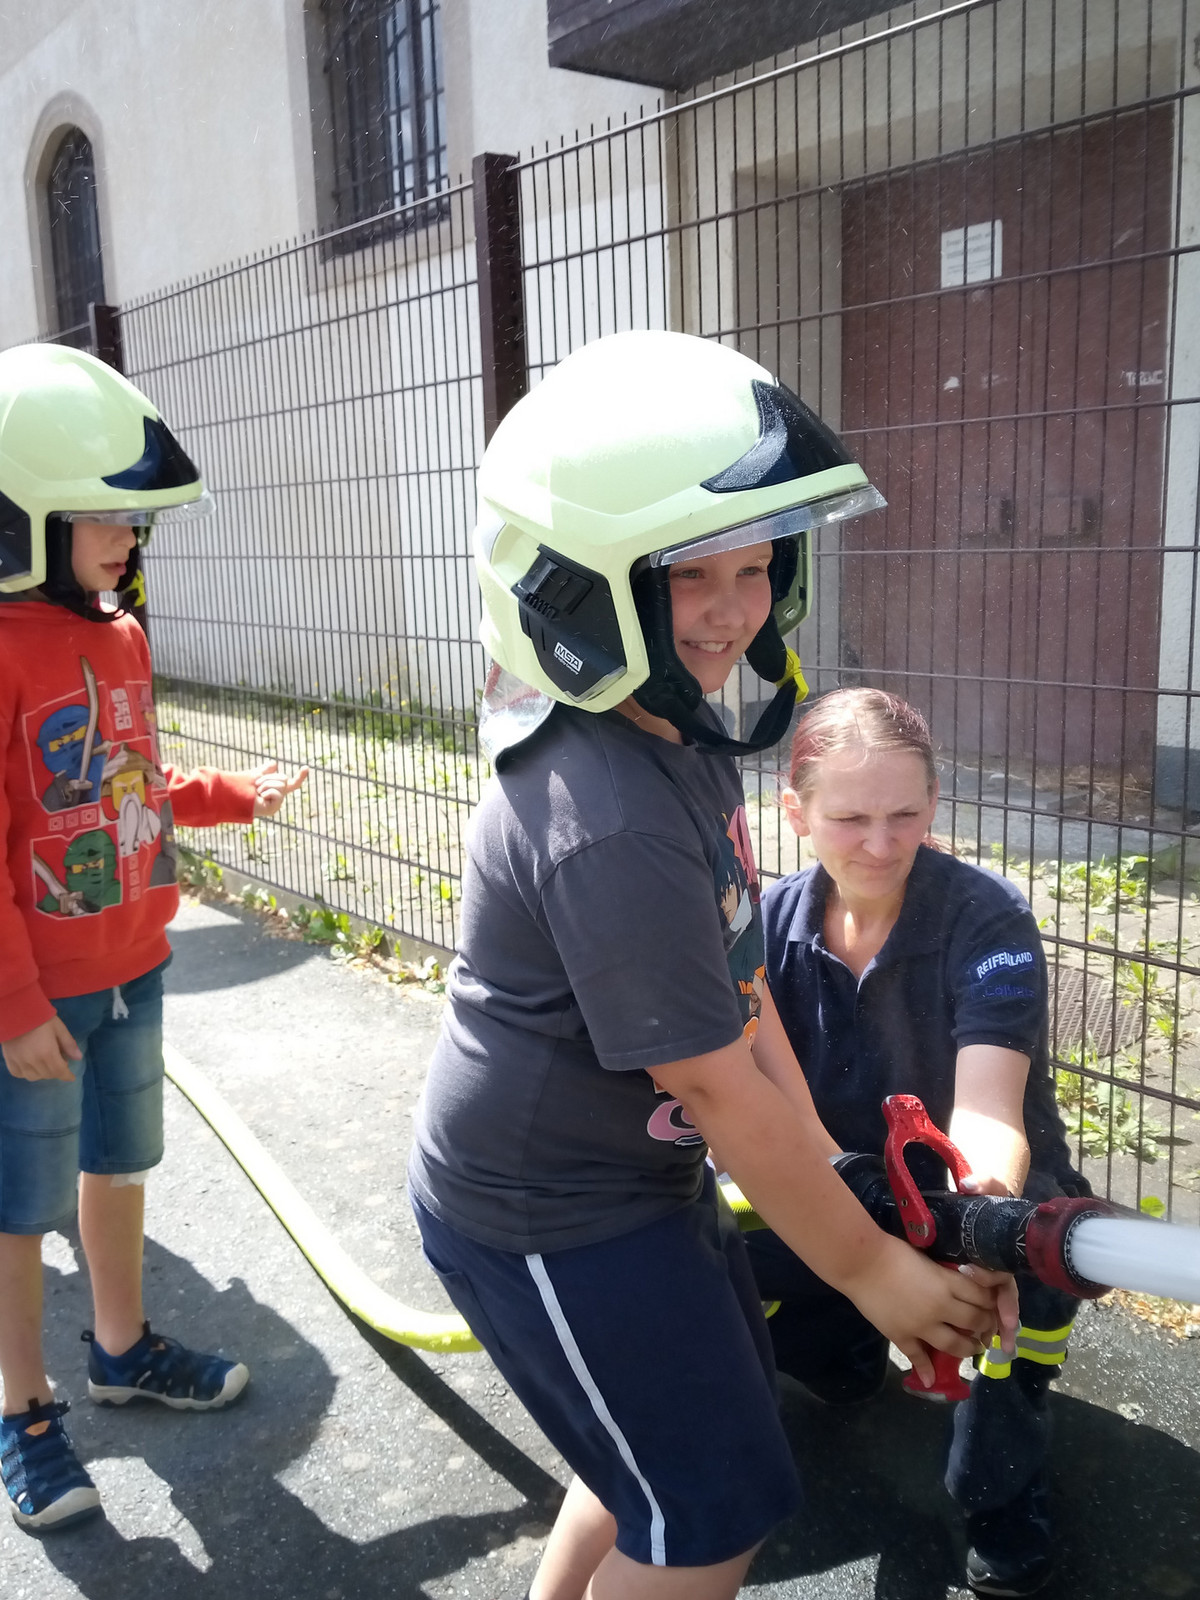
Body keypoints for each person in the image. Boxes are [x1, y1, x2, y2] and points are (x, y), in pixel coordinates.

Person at [407, 331, 1016, 1600]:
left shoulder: (662, 732)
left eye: (755, 568)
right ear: (574, 588)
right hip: (549, 1210)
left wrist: (842, 1173)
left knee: (662, 1463)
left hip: (636, 1176)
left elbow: (741, 993)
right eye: (691, 575)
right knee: (709, 1506)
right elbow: (717, 1082)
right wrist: (871, 1270)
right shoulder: (608, 813)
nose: (736, 611)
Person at [0, 343, 308, 1532]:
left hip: (135, 964)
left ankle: (121, 1348)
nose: (129, 538)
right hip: (38, 999)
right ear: (24, 518)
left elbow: (124, 778)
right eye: (106, 514)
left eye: (136, 518)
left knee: (120, 1165)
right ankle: (24, 1411)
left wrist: (228, 795)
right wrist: (15, 1004)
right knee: (16, 1208)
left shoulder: (118, 633)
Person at [744, 686, 1087, 1598]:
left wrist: (980, 1231)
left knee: (1020, 1286)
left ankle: (1000, 1485)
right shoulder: (769, 925)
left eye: (905, 814)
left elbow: (989, 1114)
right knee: (719, 1255)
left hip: (963, 1191)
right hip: (843, 1186)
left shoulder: (987, 917)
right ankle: (841, 1338)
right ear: (795, 812)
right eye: (849, 819)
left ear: (935, 801)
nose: (881, 844)